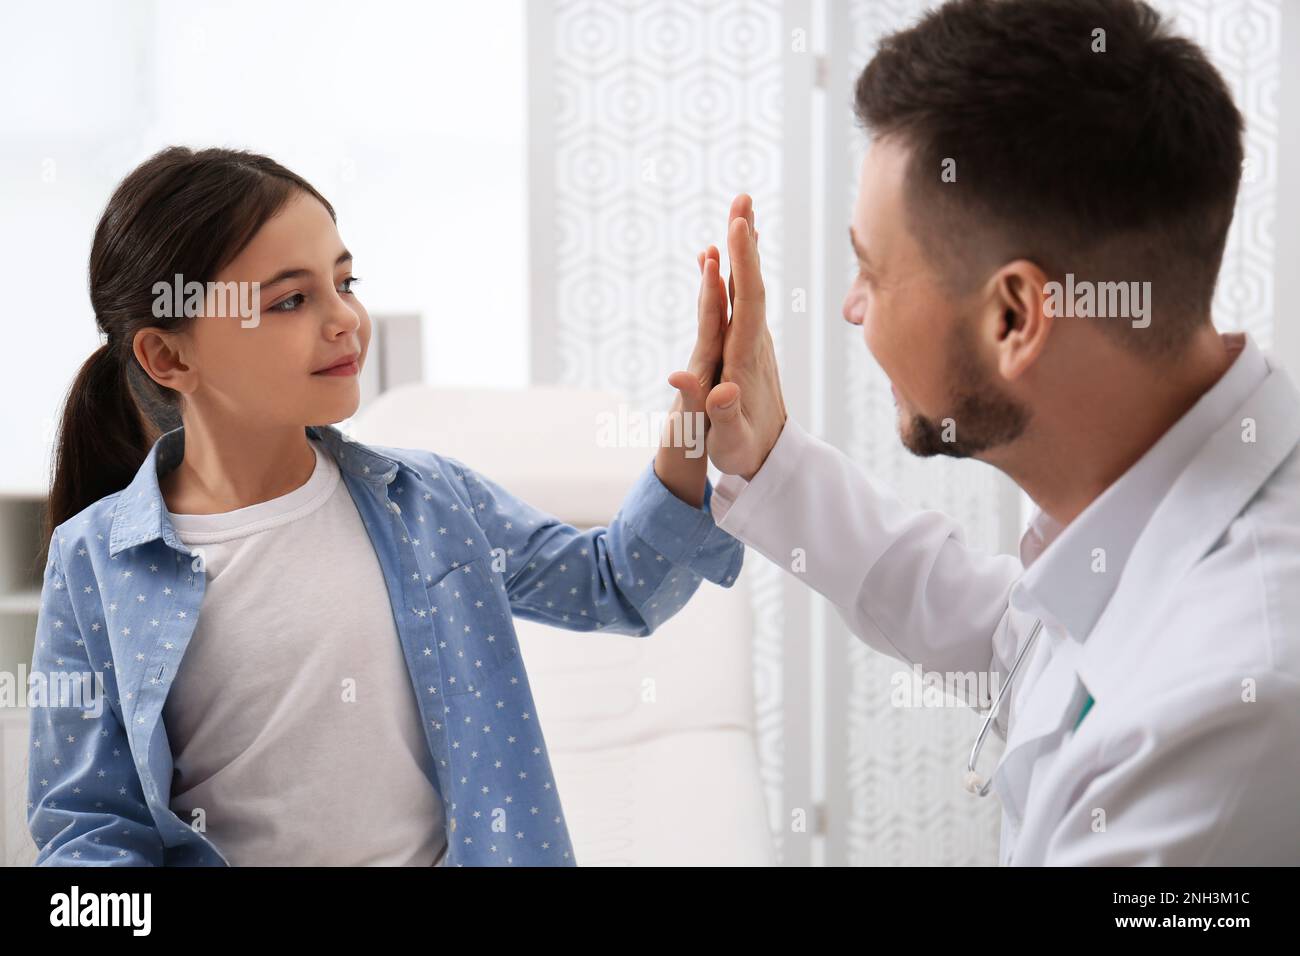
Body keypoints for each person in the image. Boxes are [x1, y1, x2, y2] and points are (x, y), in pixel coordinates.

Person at [677, 0, 1300, 864]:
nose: (851, 307)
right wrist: (769, 457)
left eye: (870, 268)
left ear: (1014, 316)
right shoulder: (1172, 489)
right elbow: (1017, 642)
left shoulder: (1227, 711)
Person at [27, 145, 742, 866]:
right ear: (169, 358)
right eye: (291, 300)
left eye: (345, 281)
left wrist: (690, 430)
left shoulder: (430, 504)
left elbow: (616, 585)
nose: (345, 320)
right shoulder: (94, 563)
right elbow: (90, 829)